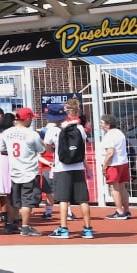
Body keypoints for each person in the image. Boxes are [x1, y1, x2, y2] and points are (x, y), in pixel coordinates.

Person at [44, 98, 93, 239]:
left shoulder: (53, 130)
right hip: (78, 167)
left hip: (62, 167)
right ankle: (88, 229)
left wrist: (55, 148)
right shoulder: (79, 128)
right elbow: (81, 148)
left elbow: (47, 149)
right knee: (83, 199)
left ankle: (64, 228)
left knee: (63, 200)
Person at [2, 107, 46, 236]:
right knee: (27, 201)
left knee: (14, 200)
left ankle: (10, 224)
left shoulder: (7, 132)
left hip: (14, 170)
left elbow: (3, 150)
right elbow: (42, 149)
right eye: (31, 118)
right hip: (29, 171)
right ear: (26, 118)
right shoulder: (32, 134)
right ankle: (26, 227)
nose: (31, 120)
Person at [99, 116, 132, 220]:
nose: (101, 125)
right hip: (123, 162)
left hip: (113, 164)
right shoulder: (119, 133)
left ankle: (119, 211)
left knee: (114, 188)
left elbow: (110, 152)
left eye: (102, 123)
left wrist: (104, 166)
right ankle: (126, 210)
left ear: (108, 125)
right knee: (122, 187)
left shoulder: (110, 135)